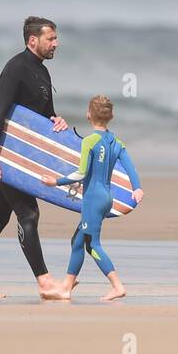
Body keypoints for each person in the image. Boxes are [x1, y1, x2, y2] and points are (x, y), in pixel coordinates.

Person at [0, 16, 71, 300]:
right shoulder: (15, 69)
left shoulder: (42, 72)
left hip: (22, 157)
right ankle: (46, 283)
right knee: (29, 214)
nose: (56, 44)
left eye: (56, 38)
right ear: (32, 40)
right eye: (51, 38)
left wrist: (56, 121)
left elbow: (43, 115)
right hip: (7, 157)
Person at [43, 95, 144, 301]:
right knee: (78, 241)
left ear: (88, 114)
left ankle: (117, 286)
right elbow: (130, 167)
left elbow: (80, 174)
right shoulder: (116, 141)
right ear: (111, 116)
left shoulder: (89, 141)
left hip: (93, 199)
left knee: (92, 244)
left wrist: (56, 181)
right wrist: (137, 188)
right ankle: (67, 285)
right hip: (107, 197)